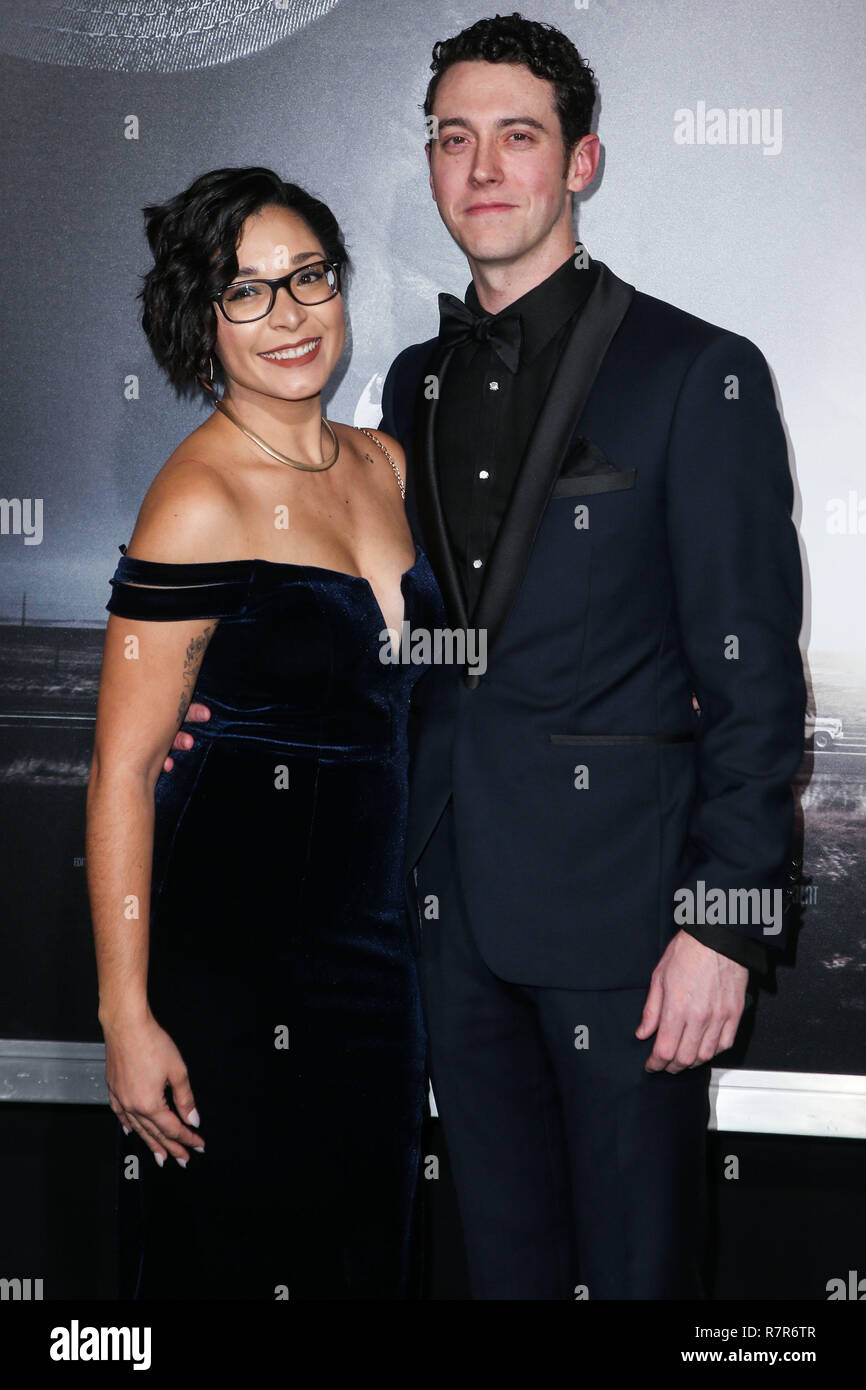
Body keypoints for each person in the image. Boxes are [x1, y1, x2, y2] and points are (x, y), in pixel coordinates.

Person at [174, 15, 806, 1299]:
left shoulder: (698, 373)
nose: (480, 167)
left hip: (629, 931)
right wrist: (223, 713)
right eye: (452, 138)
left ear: (582, 161)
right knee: (498, 1272)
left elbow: (751, 675)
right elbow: (404, 638)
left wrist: (725, 930)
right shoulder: (406, 383)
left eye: (516, 135)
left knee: (640, 1277)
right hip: (442, 916)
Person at [86, 166, 445, 1300]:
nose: (289, 315)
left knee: (361, 1257)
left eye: (308, 279)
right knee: (228, 1260)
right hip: (231, 961)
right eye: (247, 293)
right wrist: (126, 1012)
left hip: (380, 959)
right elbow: (123, 771)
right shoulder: (197, 499)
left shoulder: (385, 463)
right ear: (199, 321)